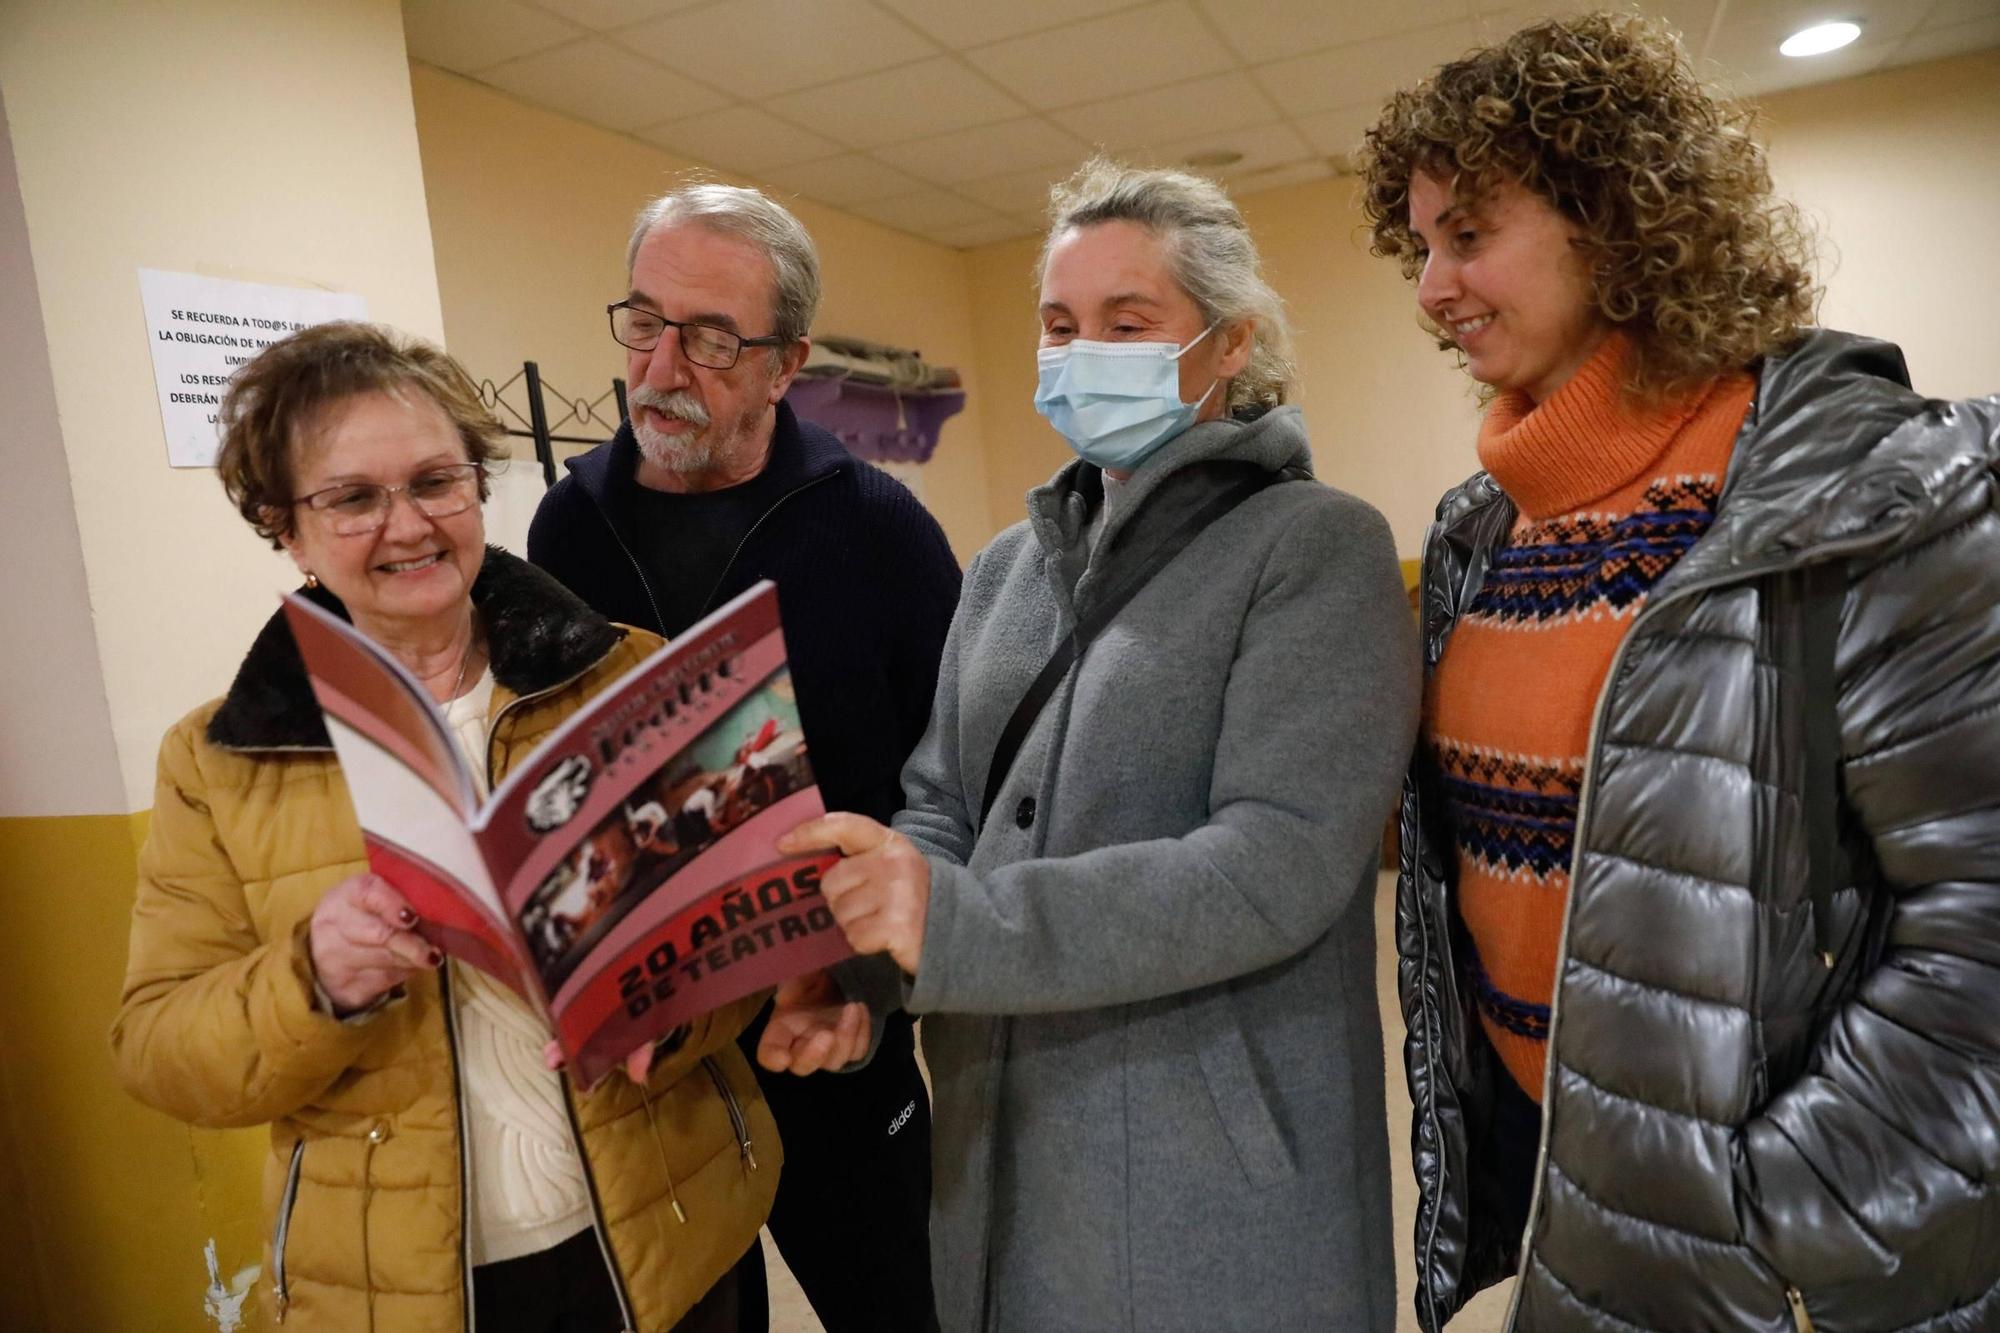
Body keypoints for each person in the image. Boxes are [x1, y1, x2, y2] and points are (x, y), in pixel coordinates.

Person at [1359, 14, 2000, 1331]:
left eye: (1468, 236)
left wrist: (1777, 1217)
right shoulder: (1477, 533)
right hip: (1572, 1189)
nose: (1430, 288)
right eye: (1419, 245)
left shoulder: (1877, 500)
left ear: (1619, 221)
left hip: (1786, 1257)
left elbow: (1979, 936)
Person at [759, 158, 1420, 1332]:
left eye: (1129, 321)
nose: (1080, 352)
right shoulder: (1007, 566)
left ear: (1228, 344)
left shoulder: (1314, 550)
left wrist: (956, 923)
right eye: (1060, 325)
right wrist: (867, 961)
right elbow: (939, 806)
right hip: (996, 1131)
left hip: (1201, 1160)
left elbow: (1274, 863)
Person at [110, 322, 777, 1332]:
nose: (408, 525)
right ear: (284, 528)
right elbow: (160, 1047)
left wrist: (667, 1012)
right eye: (351, 497)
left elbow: (746, 933)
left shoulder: (629, 675)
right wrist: (315, 976)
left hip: (668, 1226)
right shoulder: (215, 759)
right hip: (396, 1288)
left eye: (436, 480)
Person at [528, 182, 957, 1332]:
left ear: (785, 364)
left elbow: (956, 787)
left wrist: (875, 985)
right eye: (643, 322)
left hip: (831, 1020)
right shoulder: (565, 527)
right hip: (655, 1056)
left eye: (713, 338)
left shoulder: (876, 529)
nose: (664, 365)